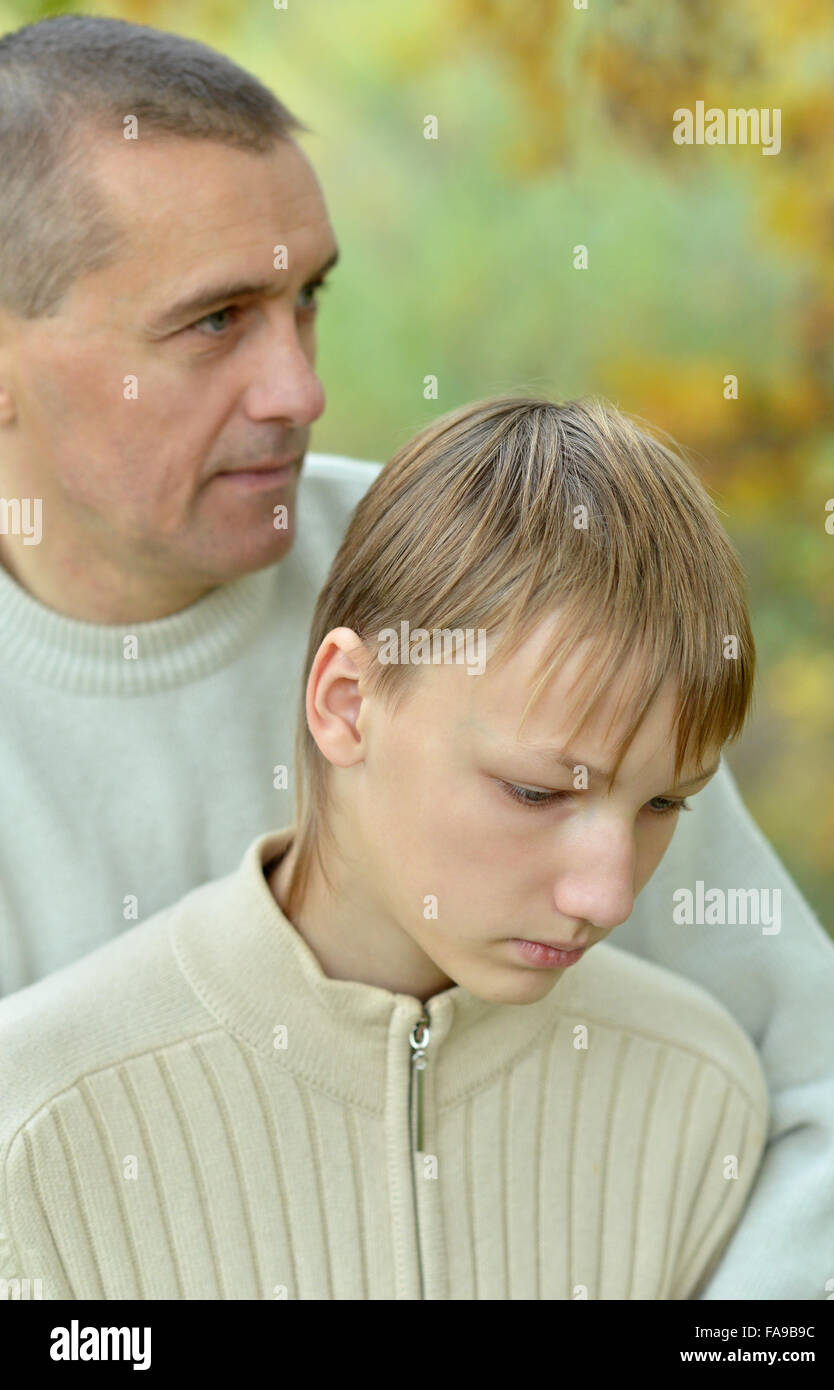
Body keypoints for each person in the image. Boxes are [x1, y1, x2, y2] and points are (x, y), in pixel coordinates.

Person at [0, 15, 834, 1301]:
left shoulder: (487, 587)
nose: (299, 388)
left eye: (308, 300)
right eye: (217, 320)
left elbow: (824, 1097)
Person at [0, 397, 772, 1300]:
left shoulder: (699, 1093)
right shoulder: (38, 1117)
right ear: (345, 703)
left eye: (664, 802)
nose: (607, 898)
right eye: (534, 790)